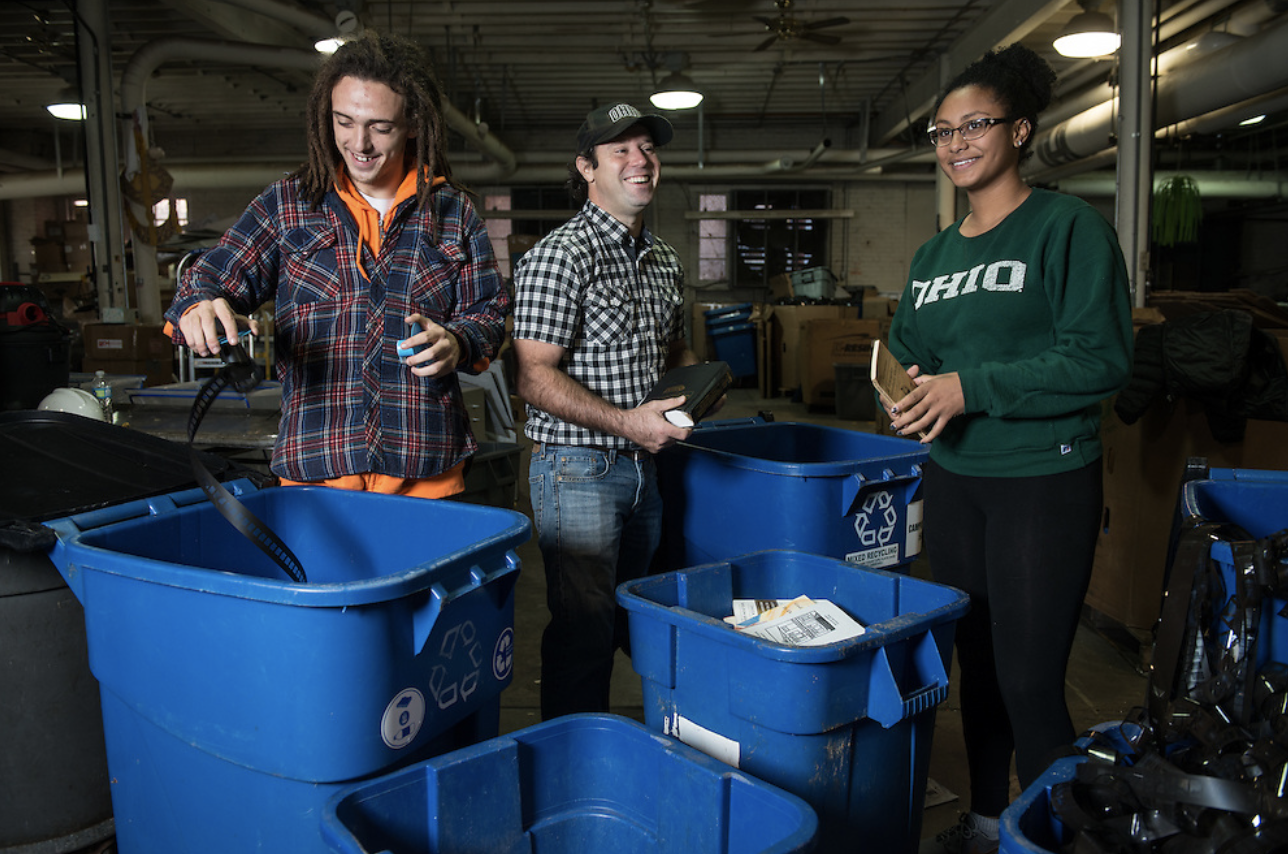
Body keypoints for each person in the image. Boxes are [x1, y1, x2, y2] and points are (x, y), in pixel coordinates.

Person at [882, 45, 1133, 854]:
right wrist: (904, 395)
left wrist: (968, 388)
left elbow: (1100, 359)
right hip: (955, 480)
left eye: (975, 125)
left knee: (1029, 679)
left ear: (1021, 130)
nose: (956, 143)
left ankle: (1057, 836)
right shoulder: (933, 256)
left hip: (1043, 481)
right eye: (942, 131)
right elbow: (907, 350)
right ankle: (989, 822)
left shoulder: (1067, 229)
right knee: (976, 673)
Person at [165, 32, 509, 498]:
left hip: (425, 473)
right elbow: (208, 277)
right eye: (343, 121)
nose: (359, 143)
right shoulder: (289, 204)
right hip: (315, 470)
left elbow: (489, 315)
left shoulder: (452, 212)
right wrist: (199, 306)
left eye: (379, 127)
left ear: (412, 123)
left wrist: (457, 340)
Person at [512, 102, 696, 720]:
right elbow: (533, 377)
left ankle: (645, 745)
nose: (639, 161)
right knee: (584, 632)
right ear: (587, 168)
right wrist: (628, 423)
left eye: (647, 148)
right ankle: (574, 765)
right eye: (620, 150)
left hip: (650, 466)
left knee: (640, 613)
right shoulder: (559, 256)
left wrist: (696, 393)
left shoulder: (664, 260)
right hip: (578, 469)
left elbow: (675, 349)